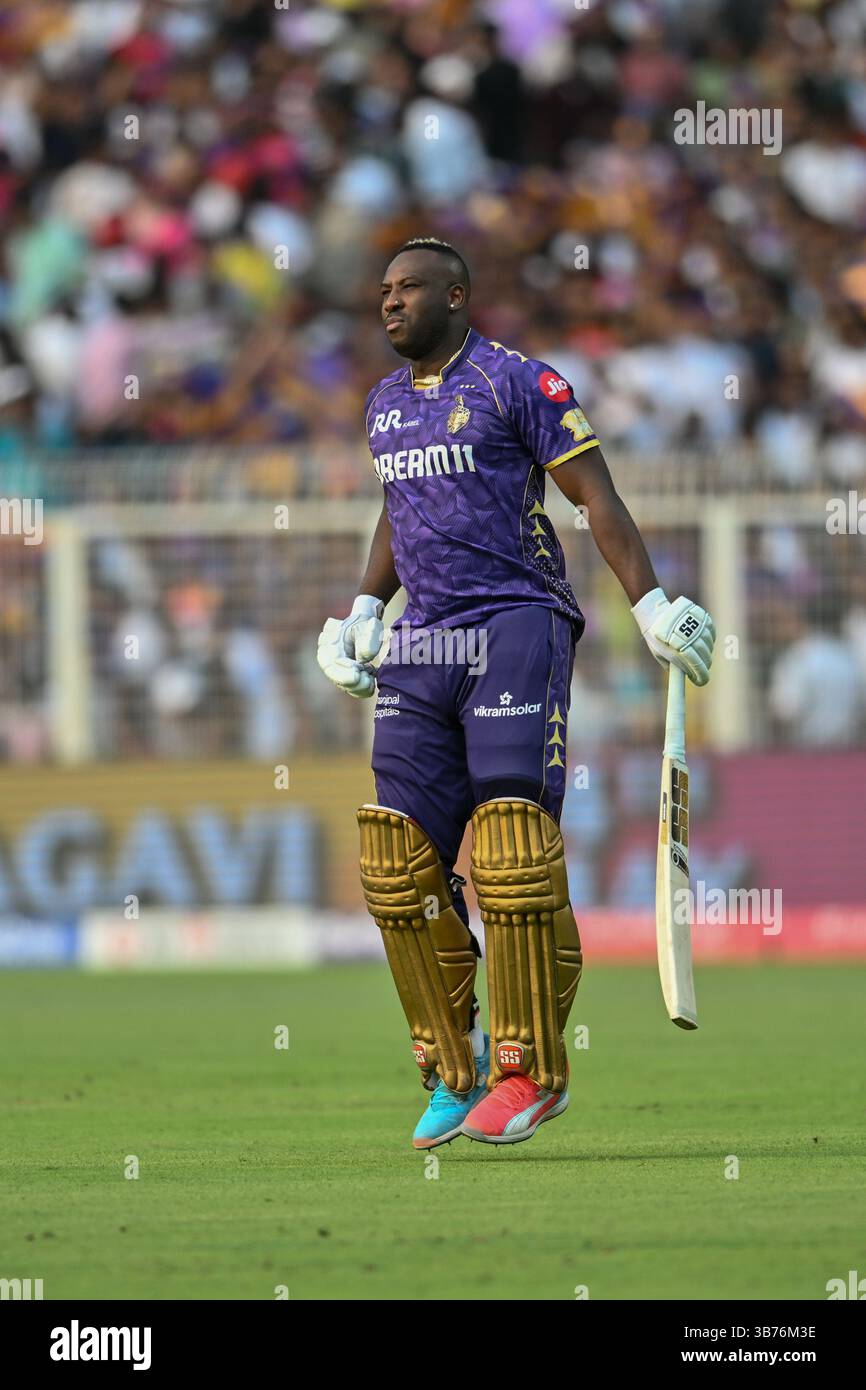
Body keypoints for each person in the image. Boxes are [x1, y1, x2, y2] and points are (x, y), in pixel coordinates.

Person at [317, 237, 715, 1149]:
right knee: (398, 861)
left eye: (409, 289)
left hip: (515, 622)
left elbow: (594, 498)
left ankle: (529, 1068)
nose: (389, 303)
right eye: (383, 291)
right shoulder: (382, 405)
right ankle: (451, 1070)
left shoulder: (515, 382)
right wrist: (363, 611)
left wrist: (650, 605)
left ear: (456, 296)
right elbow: (398, 506)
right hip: (425, 638)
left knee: (507, 847)